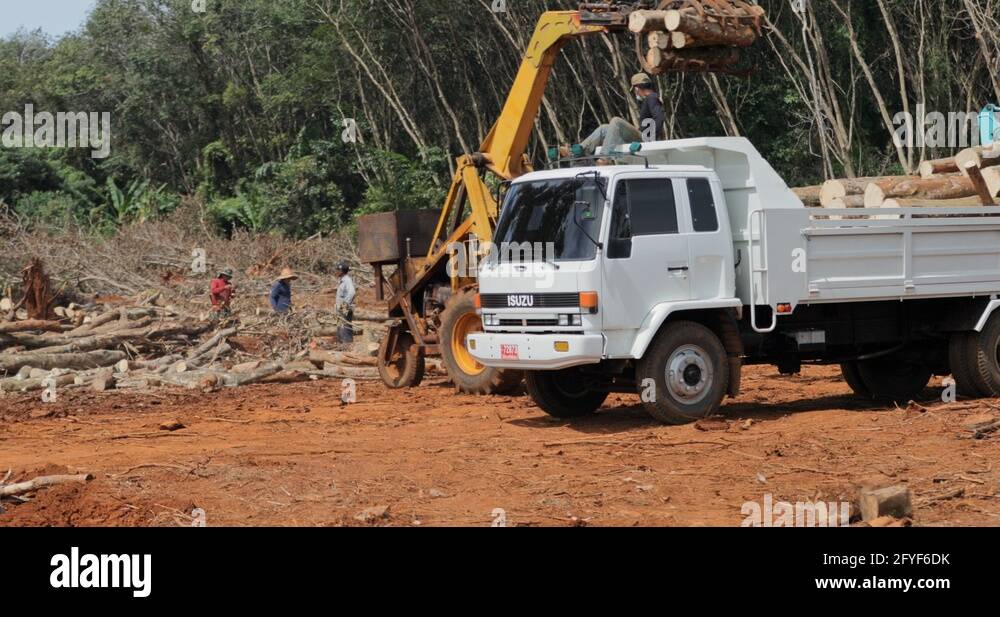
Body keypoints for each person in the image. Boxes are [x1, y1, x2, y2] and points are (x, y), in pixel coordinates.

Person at [571, 72, 667, 160]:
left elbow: (659, 117)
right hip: (642, 135)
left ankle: (604, 158)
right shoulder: (651, 98)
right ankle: (580, 150)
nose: (635, 93)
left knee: (616, 121)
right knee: (604, 128)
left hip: (644, 139)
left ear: (637, 88)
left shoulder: (652, 98)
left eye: (634, 90)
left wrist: (650, 138)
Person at [334, 260, 356, 344]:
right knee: (341, 326)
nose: (336, 272)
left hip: (345, 308)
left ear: (341, 271)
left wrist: (345, 304)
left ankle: (346, 344)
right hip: (341, 308)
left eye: (337, 270)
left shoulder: (347, 280)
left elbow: (352, 292)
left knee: (344, 326)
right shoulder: (342, 280)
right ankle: (342, 343)